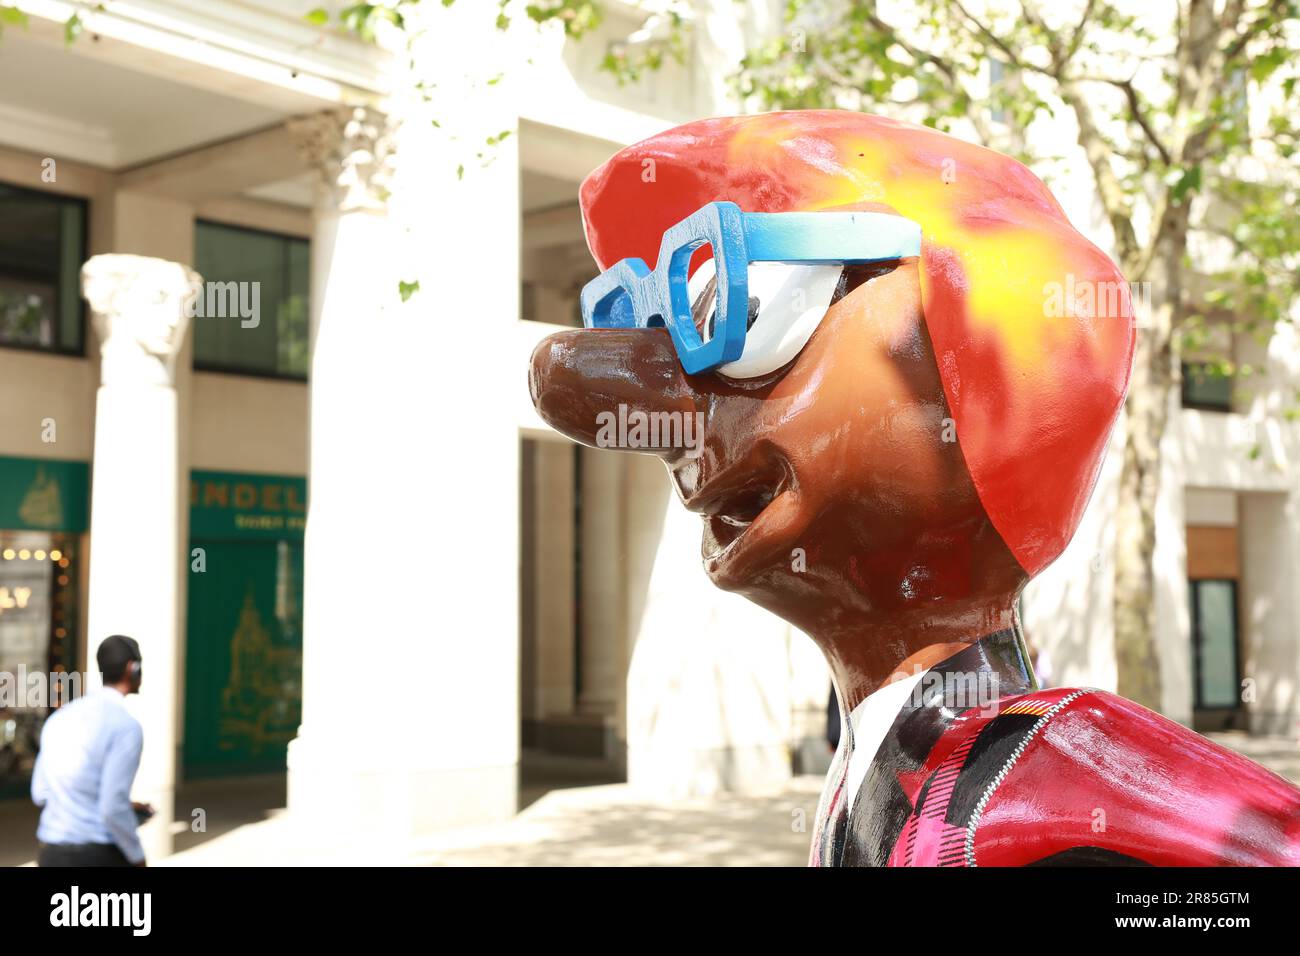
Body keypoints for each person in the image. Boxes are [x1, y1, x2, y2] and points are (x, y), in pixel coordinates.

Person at [529, 110, 1300, 866]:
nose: (669, 420)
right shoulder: (883, 768)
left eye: (742, 312)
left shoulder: (1067, 803)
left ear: (988, 379)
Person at [31, 635, 151, 867]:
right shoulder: (126, 727)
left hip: (51, 854)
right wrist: (137, 856)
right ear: (132, 668)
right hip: (98, 856)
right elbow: (111, 807)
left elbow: (40, 792)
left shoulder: (60, 718)